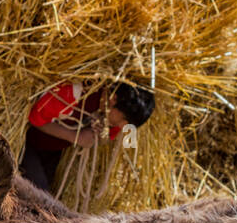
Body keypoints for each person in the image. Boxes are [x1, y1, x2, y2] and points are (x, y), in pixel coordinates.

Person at [19, 80, 155, 194]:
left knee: (49, 192)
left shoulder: (113, 114)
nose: (121, 126)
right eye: (123, 120)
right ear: (113, 99)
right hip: (26, 144)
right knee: (39, 192)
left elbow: (107, 137)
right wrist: (75, 137)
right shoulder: (75, 93)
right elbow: (35, 119)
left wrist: (101, 135)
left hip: (53, 152)